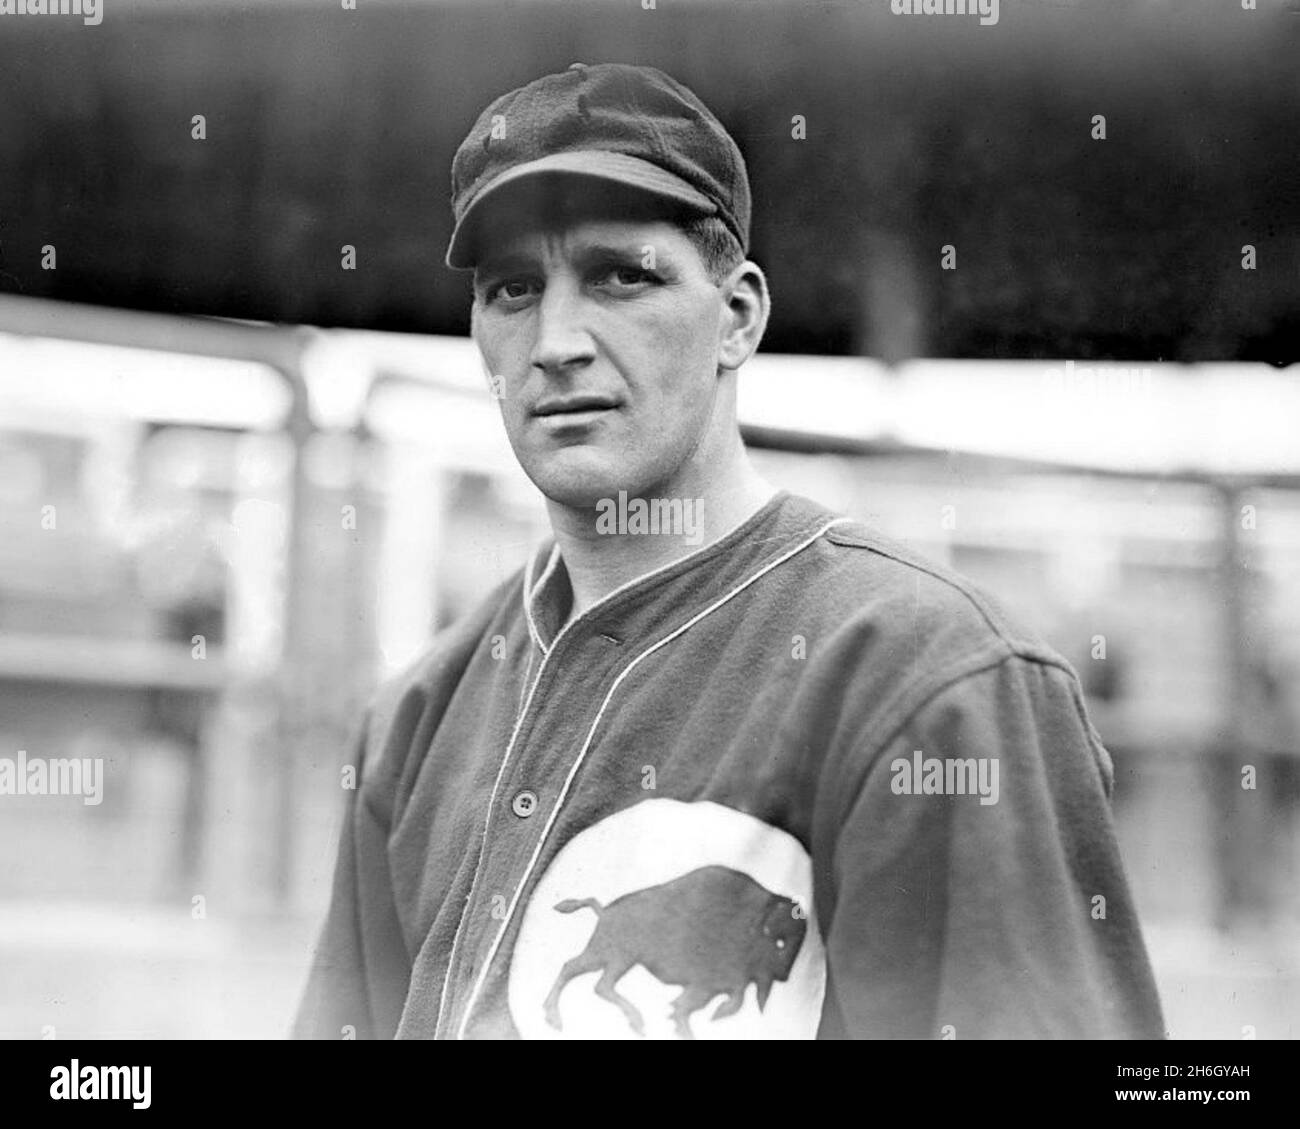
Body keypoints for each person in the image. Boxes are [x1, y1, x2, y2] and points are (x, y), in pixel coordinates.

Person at [293, 62, 1165, 1040]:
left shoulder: (931, 677)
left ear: (738, 316)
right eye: (512, 289)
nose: (556, 341)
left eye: (623, 275)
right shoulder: (418, 712)